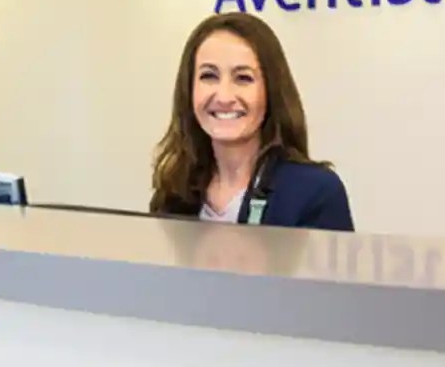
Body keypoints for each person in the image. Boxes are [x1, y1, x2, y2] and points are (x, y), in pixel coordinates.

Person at [150, 13, 355, 232]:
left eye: (243, 78)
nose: (224, 97)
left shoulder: (315, 192)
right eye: (209, 76)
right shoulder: (175, 190)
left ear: (271, 91)